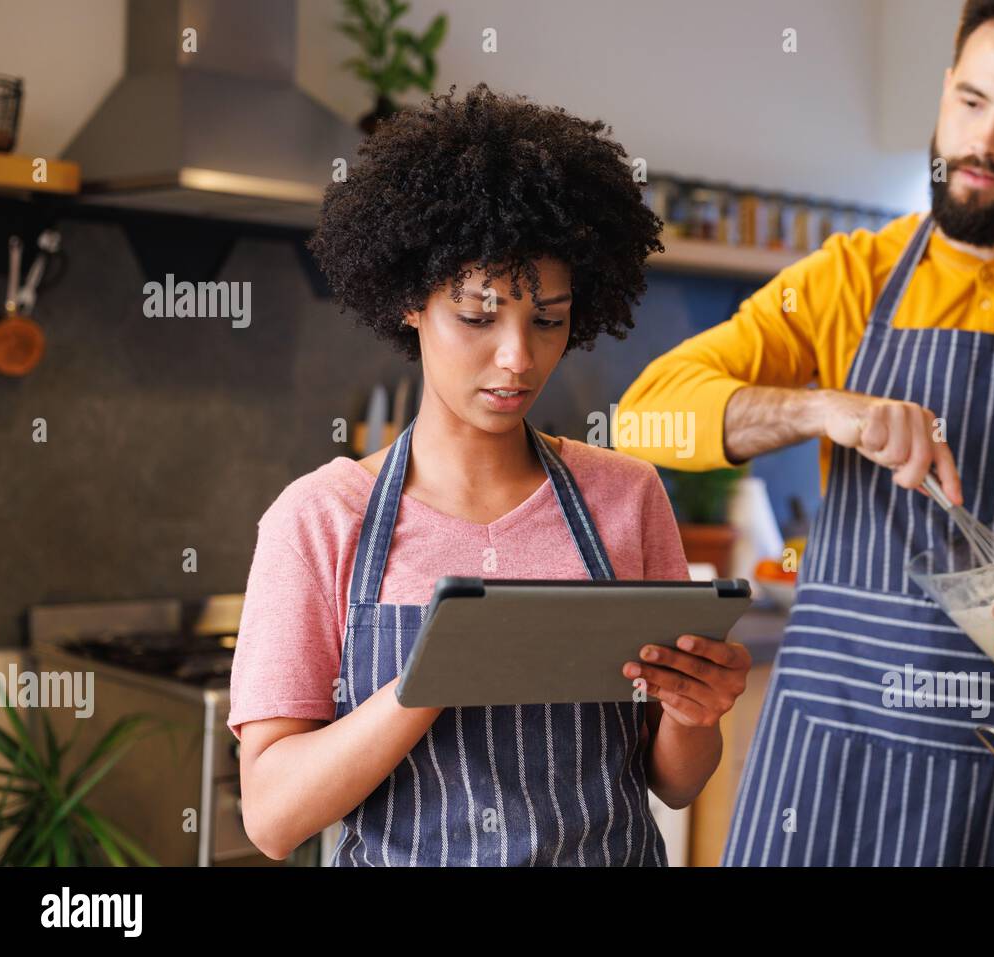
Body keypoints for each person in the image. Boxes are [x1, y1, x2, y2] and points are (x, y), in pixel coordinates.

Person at [617, 0, 994, 866]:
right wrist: (822, 406)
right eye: (971, 101)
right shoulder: (847, 279)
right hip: (829, 771)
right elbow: (647, 410)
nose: (982, 142)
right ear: (945, 88)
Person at [228, 84, 751, 866]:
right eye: (478, 316)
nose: (518, 356)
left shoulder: (625, 495)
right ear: (411, 300)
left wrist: (695, 713)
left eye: (548, 319)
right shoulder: (319, 517)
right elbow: (271, 818)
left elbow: (671, 783)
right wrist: (434, 675)